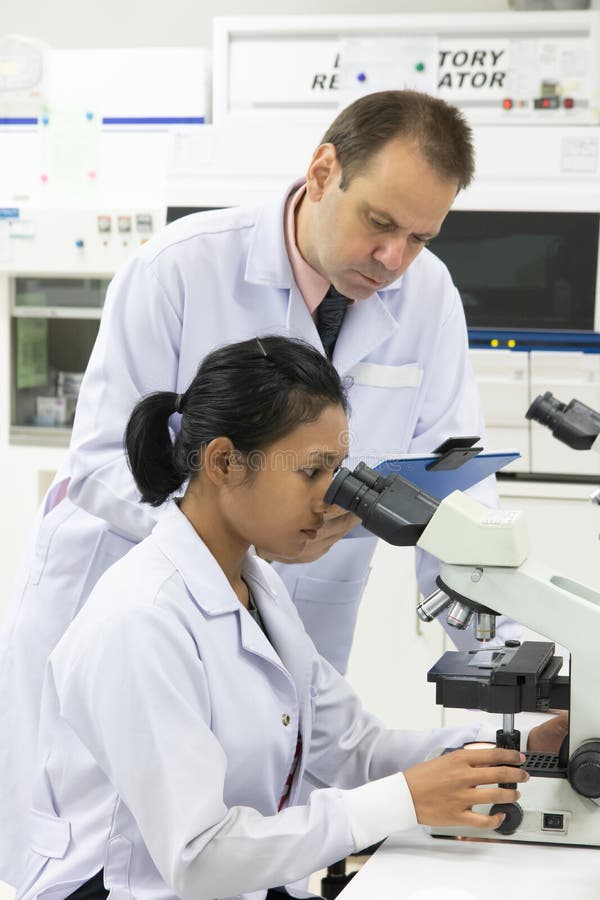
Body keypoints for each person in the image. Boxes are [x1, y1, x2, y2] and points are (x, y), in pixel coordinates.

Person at [0, 89, 518, 885]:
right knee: (135, 842)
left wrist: (500, 670)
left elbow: (453, 489)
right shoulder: (177, 268)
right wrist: (227, 555)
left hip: (262, 599)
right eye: (380, 224)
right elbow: (108, 468)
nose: (394, 260)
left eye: (419, 237)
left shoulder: (427, 293)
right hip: (152, 615)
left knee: (276, 804)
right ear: (322, 171)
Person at [16, 336, 533, 900]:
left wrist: (517, 752)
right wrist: (403, 799)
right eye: (312, 472)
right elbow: (198, 859)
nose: (332, 501)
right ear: (223, 462)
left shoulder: (254, 589)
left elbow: (353, 748)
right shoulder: (141, 622)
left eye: (337, 473)